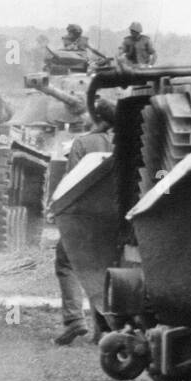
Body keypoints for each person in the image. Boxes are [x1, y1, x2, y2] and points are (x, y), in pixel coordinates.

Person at [53, 98, 115, 345]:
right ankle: (105, 328)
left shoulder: (83, 143)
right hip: (117, 218)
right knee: (105, 268)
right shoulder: (128, 141)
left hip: (85, 217)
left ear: (96, 118)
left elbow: (73, 182)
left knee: (67, 263)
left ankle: (74, 321)